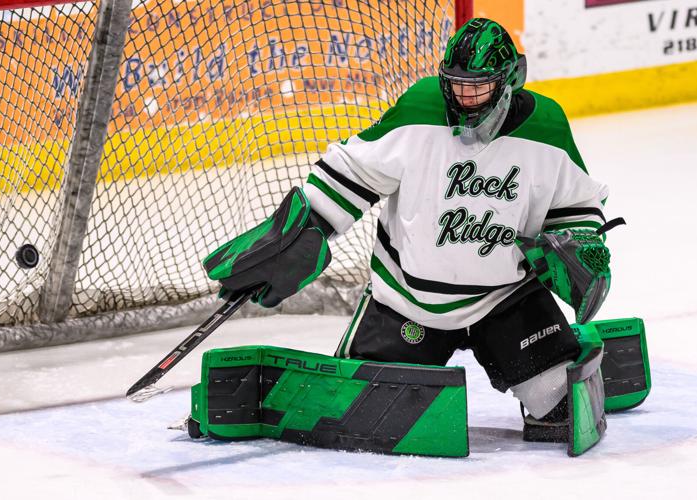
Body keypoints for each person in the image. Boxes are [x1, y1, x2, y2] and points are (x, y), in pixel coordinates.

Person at [204, 18, 615, 442]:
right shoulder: (421, 108)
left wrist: (580, 242)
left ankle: (554, 354)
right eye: (457, 85)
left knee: (561, 406)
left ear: (511, 81)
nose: (466, 97)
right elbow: (354, 172)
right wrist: (301, 233)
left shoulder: (546, 127)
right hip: (407, 302)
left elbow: (575, 204)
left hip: (504, 300)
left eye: (479, 87)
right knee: (365, 416)